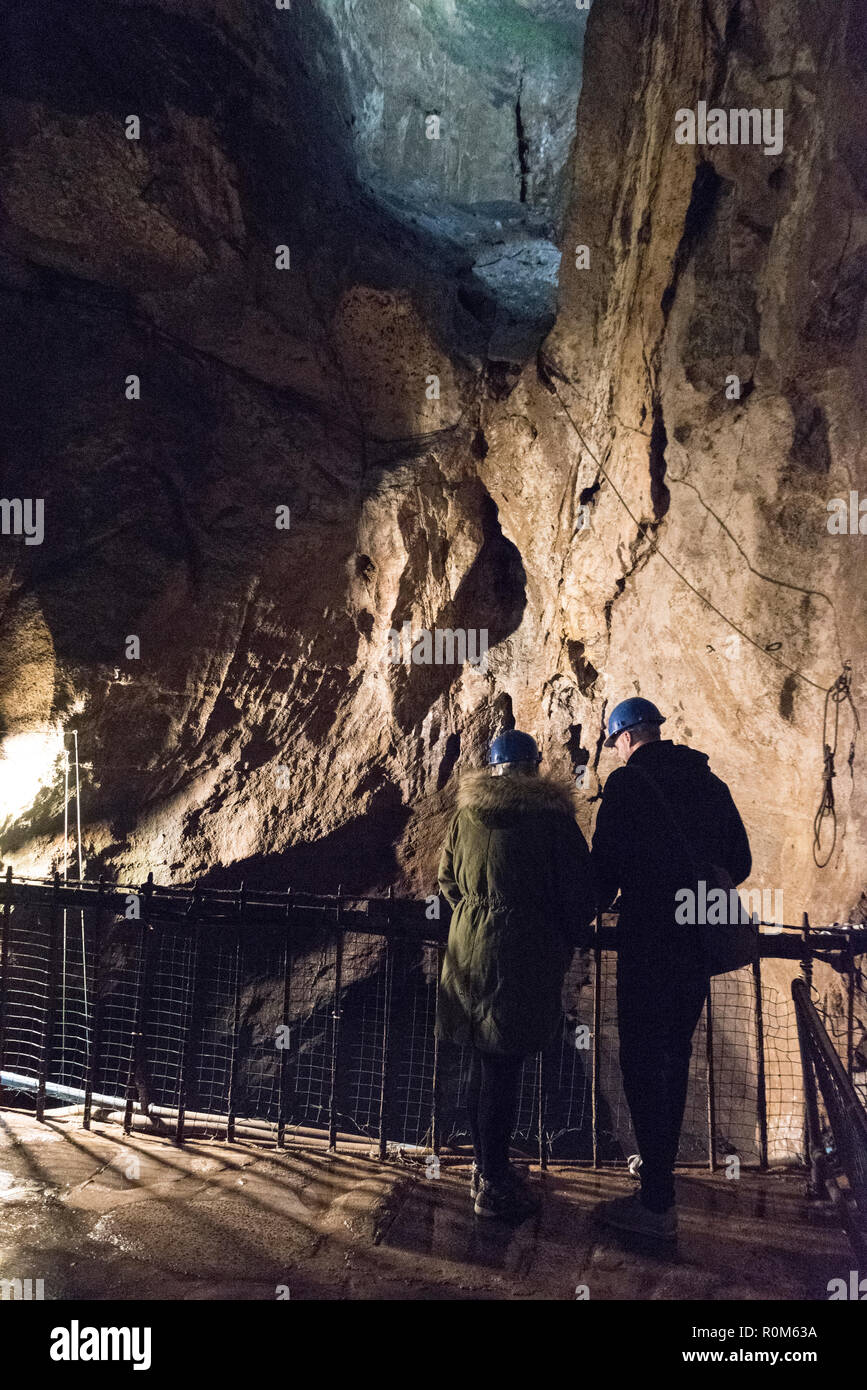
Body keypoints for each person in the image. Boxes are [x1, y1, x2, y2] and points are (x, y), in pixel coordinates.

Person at [590, 696, 752, 1239]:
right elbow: (742, 862)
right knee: (674, 1056)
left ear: (623, 739)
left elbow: (604, 875)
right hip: (694, 950)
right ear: (655, 729)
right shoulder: (708, 780)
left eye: (613, 742)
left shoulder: (627, 786)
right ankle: (657, 1173)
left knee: (640, 1058)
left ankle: (656, 1201)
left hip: (647, 943)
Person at [437, 729, 594, 1223]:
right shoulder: (551, 820)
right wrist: (557, 934)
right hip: (523, 956)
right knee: (505, 1073)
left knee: (483, 1067)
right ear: (533, 767)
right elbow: (580, 892)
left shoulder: (467, 815)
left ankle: (486, 1168)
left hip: (469, 954)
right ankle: (494, 1184)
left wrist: (476, 917)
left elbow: (446, 879)